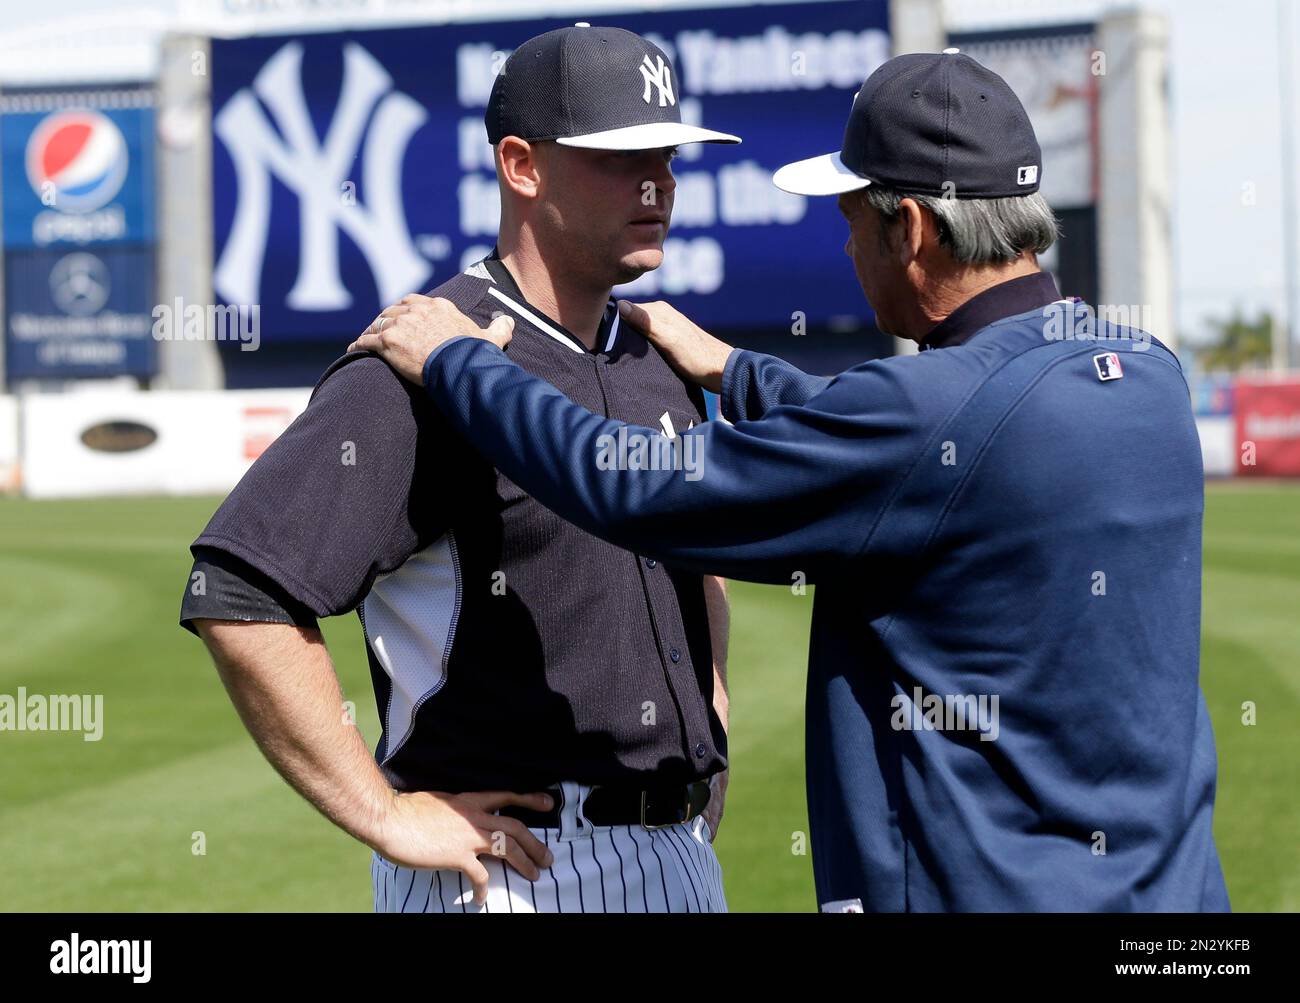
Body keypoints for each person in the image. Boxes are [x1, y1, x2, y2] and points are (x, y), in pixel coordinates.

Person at [351, 50, 1230, 912]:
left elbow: (628, 481)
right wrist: (739, 371)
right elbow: (941, 446)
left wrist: (463, 364)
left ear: (912, 228)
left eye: (851, 214)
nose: (846, 242)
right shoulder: (1143, 373)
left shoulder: (926, 418)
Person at [180, 24, 740, 913]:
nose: (657, 181)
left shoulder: (658, 354)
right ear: (521, 165)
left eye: (667, 153)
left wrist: (707, 718)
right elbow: (241, 586)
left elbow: (695, 554)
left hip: (676, 858)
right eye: (620, 156)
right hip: (511, 872)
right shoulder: (423, 355)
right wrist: (386, 814)